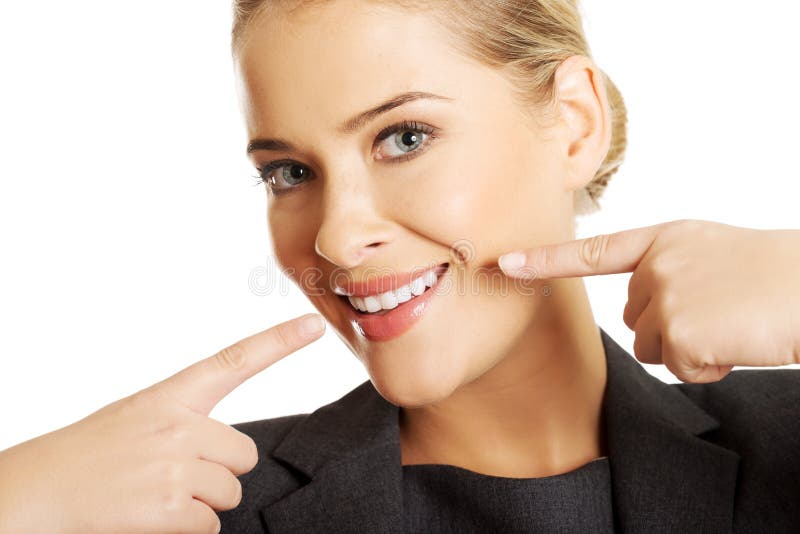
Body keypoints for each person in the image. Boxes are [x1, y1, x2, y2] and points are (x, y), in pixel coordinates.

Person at [1, 1, 799, 533]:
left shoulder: (786, 444)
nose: (338, 239)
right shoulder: (192, 505)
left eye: (404, 138)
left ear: (575, 125)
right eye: (290, 173)